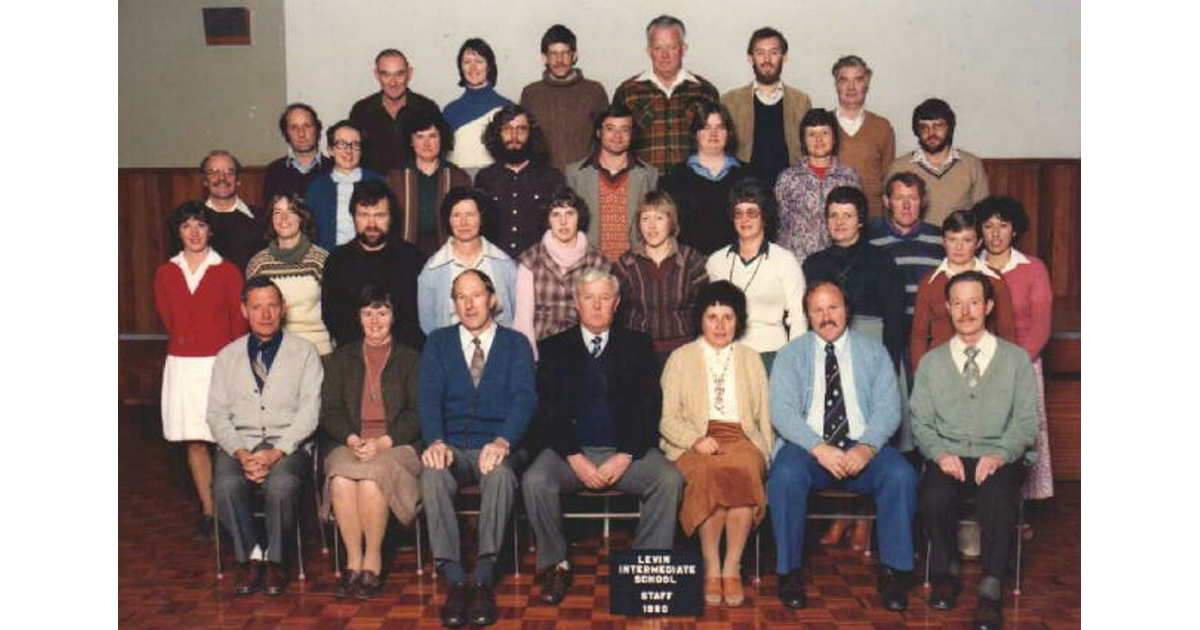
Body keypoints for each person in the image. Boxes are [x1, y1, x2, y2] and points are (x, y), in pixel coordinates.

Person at [523, 270, 683, 605]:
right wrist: (574, 457)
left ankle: (646, 565)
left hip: (624, 453)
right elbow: (548, 413)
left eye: (605, 298)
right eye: (589, 298)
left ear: (617, 303)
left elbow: (648, 408)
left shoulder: (638, 346)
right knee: (535, 480)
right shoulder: (553, 348)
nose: (597, 305)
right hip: (570, 454)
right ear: (576, 303)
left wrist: (625, 455)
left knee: (668, 480)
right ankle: (556, 564)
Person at [767, 281, 917, 611]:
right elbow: (782, 412)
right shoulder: (791, 355)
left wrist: (867, 447)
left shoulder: (874, 352)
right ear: (808, 316)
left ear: (847, 310)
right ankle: (789, 571)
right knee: (784, 476)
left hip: (862, 444)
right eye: (817, 310)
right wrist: (818, 448)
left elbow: (890, 408)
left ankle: (894, 572)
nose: (826, 316)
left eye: (833, 307)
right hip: (810, 447)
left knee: (901, 476)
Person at [911, 271, 1038, 630]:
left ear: (989, 306)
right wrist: (938, 454)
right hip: (948, 454)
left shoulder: (1016, 361)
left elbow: (1027, 424)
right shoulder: (932, 363)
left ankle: (990, 587)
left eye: (974, 302)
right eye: (957, 303)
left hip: (1000, 455)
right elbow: (921, 422)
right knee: (934, 494)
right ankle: (945, 573)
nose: (966, 311)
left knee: (998, 497)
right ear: (947, 308)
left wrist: (1000, 454)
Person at [419, 269, 537, 628]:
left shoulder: (515, 343)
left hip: (499, 443)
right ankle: (455, 579)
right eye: (461, 297)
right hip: (453, 444)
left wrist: (503, 441)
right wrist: (436, 442)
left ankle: (484, 577)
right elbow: (427, 399)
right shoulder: (438, 342)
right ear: (454, 304)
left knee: (500, 475)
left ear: (492, 298)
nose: (469, 304)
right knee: (433, 473)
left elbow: (525, 399)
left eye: (476, 295)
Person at [659, 281, 773, 608]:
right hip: (694, 441)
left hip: (741, 437)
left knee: (745, 467)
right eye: (712, 317)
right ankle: (711, 566)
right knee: (710, 471)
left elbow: (763, 416)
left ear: (738, 321)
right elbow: (667, 419)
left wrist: (764, 451)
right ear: (701, 320)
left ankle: (731, 566)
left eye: (728, 317)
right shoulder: (680, 358)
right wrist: (694, 440)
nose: (720, 325)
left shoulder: (751, 359)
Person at [207, 276, 323, 597]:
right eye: (257, 307)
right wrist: (242, 454)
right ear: (244, 309)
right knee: (226, 484)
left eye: (272, 305)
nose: (266, 314)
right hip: (239, 446)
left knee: (282, 484)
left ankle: (276, 559)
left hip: (288, 445)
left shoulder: (304, 353)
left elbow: (309, 413)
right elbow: (216, 415)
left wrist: (277, 452)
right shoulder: (227, 356)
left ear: (282, 308)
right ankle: (251, 558)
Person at [319, 285, 423, 600]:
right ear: (358, 318)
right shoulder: (339, 359)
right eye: (368, 313)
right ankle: (352, 563)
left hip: (396, 444)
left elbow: (418, 414)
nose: (375, 321)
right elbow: (330, 411)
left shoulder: (411, 358)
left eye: (382, 312)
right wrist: (352, 439)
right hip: (351, 441)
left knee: (369, 482)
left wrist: (383, 443)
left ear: (393, 317)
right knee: (340, 480)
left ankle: (373, 561)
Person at [154, 201, 248, 540]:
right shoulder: (166, 272)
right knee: (195, 441)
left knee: (226, 440)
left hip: (219, 365)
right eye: (186, 226)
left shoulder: (228, 271)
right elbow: (169, 318)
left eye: (200, 225)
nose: (194, 233)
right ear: (178, 232)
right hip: (182, 366)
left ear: (210, 230)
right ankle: (210, 513)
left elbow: (239, 326)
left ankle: (235, 511)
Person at [975, 197, 1054, 503]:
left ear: (1015, 230)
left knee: (1022, 438)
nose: (996, 234)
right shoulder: (972, 266)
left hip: (1023, 363)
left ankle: (1020, 512)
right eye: (989, 226)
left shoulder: (1033, 268)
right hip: (979, 366)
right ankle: (985, 505)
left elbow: (1041, 326)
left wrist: (1014, 366)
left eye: (1003, 226)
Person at [705, 177, 805, 371]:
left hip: (772, 356)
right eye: (738, 213)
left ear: (764, 216)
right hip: (726, 355)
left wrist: (793, 362)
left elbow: (798, 317)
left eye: (752, 213)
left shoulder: (785, 260)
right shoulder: (716, 261)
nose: (744, 220)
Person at [802, 187, 905, 366]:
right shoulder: (813, 264)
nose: (839, 222)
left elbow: (894, 320)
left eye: (847, 215)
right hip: (824, 347)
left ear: (860, 221)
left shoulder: (881, 260)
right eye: (833, 215)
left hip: (873, 348)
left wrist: (888, 362)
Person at [321, 179, 427, 351]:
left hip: (403, 358)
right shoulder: (337, 260)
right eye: (363, 215)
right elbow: (333, 319)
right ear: (353, 217)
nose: (371, 224)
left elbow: (417, 320)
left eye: (379, 215)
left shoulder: (412, 258)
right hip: (353, 357)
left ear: (391, 217)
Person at [612, 14, 720, 173]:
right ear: (649, 51)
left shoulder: (705, 91)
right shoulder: (627, 92)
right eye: (658, 48)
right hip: (644, 187)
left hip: (693, 185)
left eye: (672, 47)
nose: (665, 55)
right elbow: (614, 144)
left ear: (683, 49)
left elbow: (718, 143)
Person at [910, 210, 1017, 369]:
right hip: (941, 369)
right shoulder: (929, 283)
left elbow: (1007, 332)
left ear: (978, 242)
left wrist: (1008, 372)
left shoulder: (995, 281)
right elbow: (919, 335)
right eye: (952, 239)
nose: (959, 247)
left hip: (986, 368)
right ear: (943, 241)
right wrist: (921, 375)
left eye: (967, 240)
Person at [512, 188, 610, 356]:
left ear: (579, 218)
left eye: (570, 213)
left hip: (582, 349)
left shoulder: (597, 263)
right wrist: (531, 361)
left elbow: (601, 318)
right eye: (556, 214)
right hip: (540, 348)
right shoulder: (530, 261)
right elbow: (523, 321)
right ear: (548, 220)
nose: (563, 221)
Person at [613, 190, 709, 361]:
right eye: (645, 219)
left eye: (659, 218)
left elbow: (703, 310)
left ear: (671, 222)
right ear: (638, 224)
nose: (651, 226)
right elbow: (615, 314)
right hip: (637, 354)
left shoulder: (691, 260)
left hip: (683, 353)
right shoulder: (625, 264)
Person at [417, 187, 517, 334]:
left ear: (481, 218)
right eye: (456, 215)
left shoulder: (504, 264)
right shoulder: (432, 270)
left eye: (470, 214)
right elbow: (428, 325)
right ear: (448, 220)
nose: (463, 223)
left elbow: (515, 315)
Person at [566, 105, 659, 261]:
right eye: (610, 128)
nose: (617, 136)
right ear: (599, 132)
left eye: (625, 129)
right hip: (588, 265)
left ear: (632, 134)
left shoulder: (649, 174)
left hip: (634, 267)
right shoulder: (575, 174)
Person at [721, 27, 812, 186]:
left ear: (784, 58)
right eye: (760, 53)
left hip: (791, 189)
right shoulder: (730, 101)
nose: (767, 59)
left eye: (774, 52)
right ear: (751, 58)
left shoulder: (801, 101)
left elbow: (808, 151)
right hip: (745, 191)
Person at [245, 194, 333, 355]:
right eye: (277, 212)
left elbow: (336, 312)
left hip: (318, 349)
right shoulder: (258, 264)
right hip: (274, 351)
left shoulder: (322, 260)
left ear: (302, 217)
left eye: (291, 211)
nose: (284, 218)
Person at [474, 104, 566, 258]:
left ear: (531, 134)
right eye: (507, 129)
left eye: (521, 129)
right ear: (497, 134)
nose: (514, 136)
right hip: (495, 266)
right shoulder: (484, 178)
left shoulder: (552, 177)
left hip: (539, 267)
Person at [774, 108, 863, 265]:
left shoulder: (849, 176)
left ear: (834, 138)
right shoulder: (787, 178)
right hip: (797, 264)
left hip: (839, 264)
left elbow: (857, 223)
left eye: (824, 133)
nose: (819, 139)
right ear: (803, 140)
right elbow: (779, 224)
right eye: (812, 134)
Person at [661, 100, 748, 256]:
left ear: (729, 133)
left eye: (720, 127)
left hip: (737, 265)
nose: (713, 133)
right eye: (706, 127)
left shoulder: (748, 176)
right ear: (695, 133)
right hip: (689, 267)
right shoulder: (674, 178)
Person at [867, 173, 945, 343]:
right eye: (899, 198)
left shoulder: (941, 240)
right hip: (885, 331)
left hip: (928, 332)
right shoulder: (870, 238)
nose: (907, 205)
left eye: (913, 198)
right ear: (887, 202)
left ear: (923, 201)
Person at [886, 98, 989, 227]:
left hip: (959, 244)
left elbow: (983, 214)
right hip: (915, 244)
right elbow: (890, 217)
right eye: (924, 127)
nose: (931, 133)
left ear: (950, 128)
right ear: (916, 131)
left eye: (938, 126)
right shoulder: (900, 167)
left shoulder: (971, 165)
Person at [519, 24, 609, 172]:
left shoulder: (594, 92)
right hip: (543, 178)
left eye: (565, 53)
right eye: (553, 54)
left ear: (574, 55)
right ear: (544, 57)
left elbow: (606, 139)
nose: (559, 60)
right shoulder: (531, 94)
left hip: (584, 178)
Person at [384, 108, 472, 256]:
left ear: (441, 138)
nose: (427, 143)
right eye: (420, 137)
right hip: (403, 253)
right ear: (411, 141)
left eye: (432, 136)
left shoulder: (458, 177)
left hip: (449, 253)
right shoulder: (395, 178)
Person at [349, 49, 442, 174]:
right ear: (376, 75)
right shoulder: (361, 111)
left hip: (415, 186)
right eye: (386, 74)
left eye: (399, 74)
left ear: (409, 73)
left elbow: (438, 155)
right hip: (373, 189)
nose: (393, 82)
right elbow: (352, 154)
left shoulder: (427, 108)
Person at [831, 56, 895, 219]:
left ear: (867, 84)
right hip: (833, 219)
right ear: (836, 85)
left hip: (873, 218)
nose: (851, 87)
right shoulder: (822, 125)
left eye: (858, 80)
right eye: (844, 80)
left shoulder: (882, 127)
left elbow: (888, 178)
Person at [305, 120, 385, 250]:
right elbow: (308, 232)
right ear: (330, 150)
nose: (349, 151)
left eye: (355, 145)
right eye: (342, 144)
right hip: (329, 258)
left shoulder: (379, 183)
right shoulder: (317, 187)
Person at [443, 38, 513, 171]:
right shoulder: (450, 111)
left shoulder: (506, 108)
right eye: (467, 62)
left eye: (479, 61)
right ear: (460, 67)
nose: (473, 67)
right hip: (460, 186)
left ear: (489, 66)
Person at [199, 150, 265, 271]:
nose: (222, 178)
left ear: (238, 180)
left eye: (230, 172)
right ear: (205, 181)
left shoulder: (261, 219)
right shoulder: (192, 221)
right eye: (213, 172)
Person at [262, 103, 331, 209]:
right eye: (294, 128)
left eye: (307, 126)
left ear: (317, 130)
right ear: (286, 133)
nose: (301, 134)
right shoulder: (275, 171)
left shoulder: (334, 169)